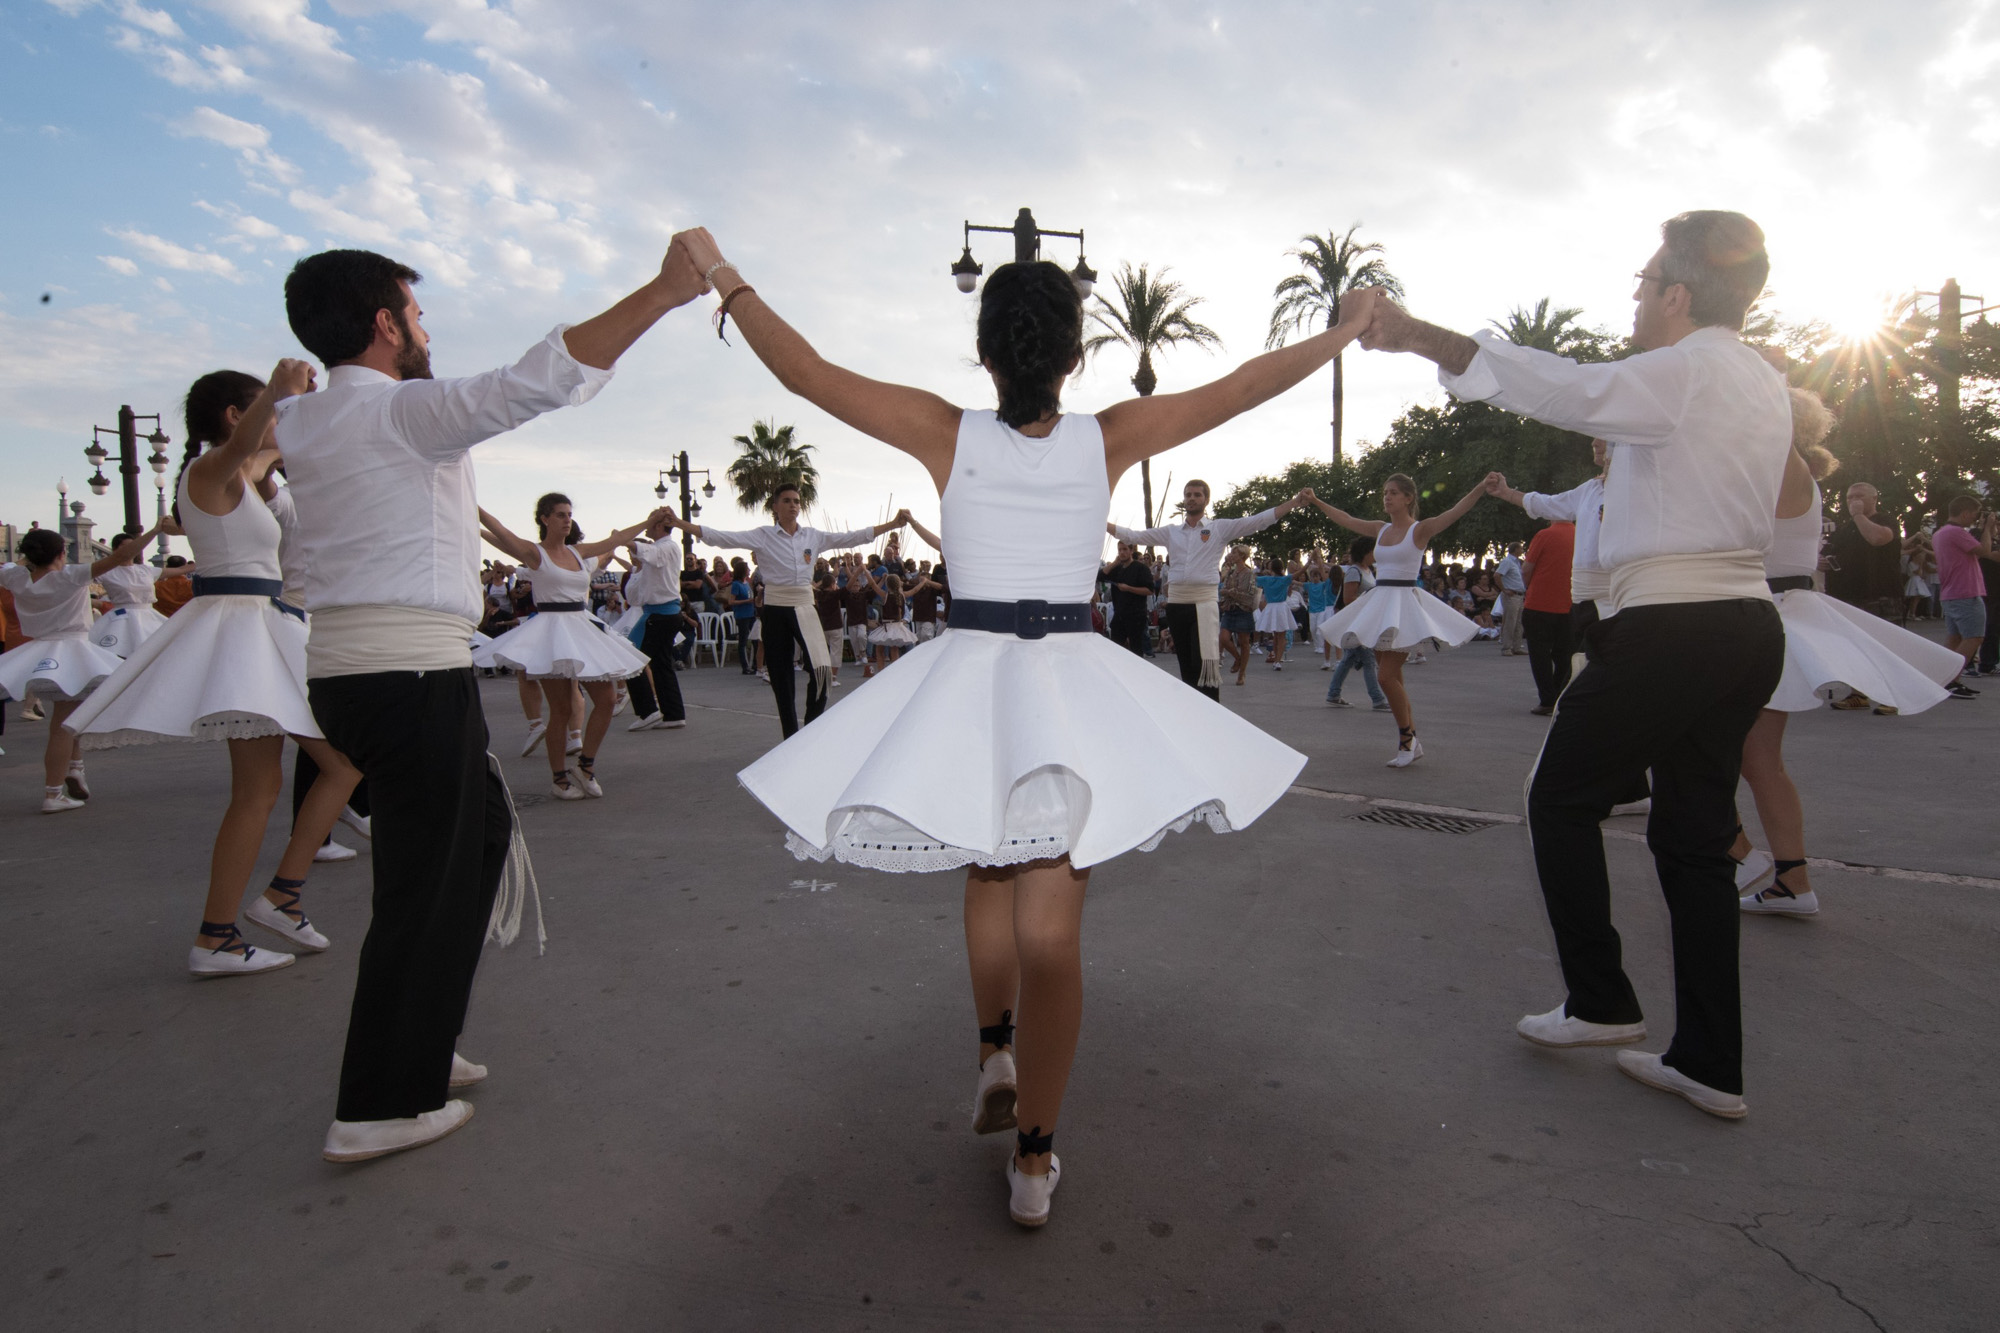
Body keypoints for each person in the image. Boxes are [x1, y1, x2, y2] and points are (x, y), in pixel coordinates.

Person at [681, 231, 1366, 1228]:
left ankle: (990, 1048)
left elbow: (803, 371)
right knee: (1052, 929)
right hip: (1066, 680)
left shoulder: (942, 431)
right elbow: (1245, 386)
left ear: (986, 352)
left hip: (967, 676)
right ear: (1073, 354)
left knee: (985, 867)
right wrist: (1344, 329)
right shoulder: (1109, 434)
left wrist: (719, 273)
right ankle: (1035, 1160)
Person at [274, 239, 709, 1163]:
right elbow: (534, 379)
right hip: (409, 677)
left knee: (473, 847)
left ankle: (420, 1038)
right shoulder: (400, 412)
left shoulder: (304, 423)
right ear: (387, 325)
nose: (427, 330)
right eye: (418, 314)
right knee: (423, 888)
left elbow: (285, 461)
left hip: (356, 674)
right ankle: (382, 1105)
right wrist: (667, 290)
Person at [1358, 209, 1788, 1119]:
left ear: (1677, 296)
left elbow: (1565, 388)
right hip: (1744, 621)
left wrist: (1417, 334)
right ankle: (1710, 1060)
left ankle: (1601, 999)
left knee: (1557, 795)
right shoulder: (1757, 379)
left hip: (1675, 625)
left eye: (1643, 282)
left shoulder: (1681, 368)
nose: (1634, 297)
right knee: (1694, 837)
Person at [69, 362, 365, 970]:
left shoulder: (247, 474)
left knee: (268, 786)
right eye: (268, 409)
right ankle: (264, 907)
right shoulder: (208, 469)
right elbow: (242, 449)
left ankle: (232, 927)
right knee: (326, 769)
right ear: (237, 415)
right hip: (244, 628)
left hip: (257, 626)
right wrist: (278, 397)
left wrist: (303, 407)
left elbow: (264, 459)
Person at [1728, 391, 1967, 917]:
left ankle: (1751, 863)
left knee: (1721, 750)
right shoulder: (1773, 471)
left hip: (1769, 614)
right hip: (1764, 612)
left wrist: (1770, 379)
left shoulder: (1785, 468)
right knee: (1748, 756)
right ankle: (1780, 876)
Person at [662, 490, 907, 737]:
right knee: (781, 677)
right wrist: (681, 523)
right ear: (775, 506)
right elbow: (722, 537)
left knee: (822, 670)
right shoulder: (763, 535)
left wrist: (893, 524)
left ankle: (811, 727)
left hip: (805, 605)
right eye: (787, 501)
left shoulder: (813, 536)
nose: (793, 505)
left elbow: (853, 537)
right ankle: (790, 734)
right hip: (776, 607)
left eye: (797, 502)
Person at [477, 497, 657, 798]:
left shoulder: (578, 552)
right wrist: (473, 508)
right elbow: (500, 530)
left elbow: (614, 540)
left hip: (581, 625)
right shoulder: (535, 553)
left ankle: (585, 766)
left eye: (569, 515)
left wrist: (647, 522)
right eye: (560, 515)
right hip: (551, 630)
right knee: (560, 709)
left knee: (608, 698)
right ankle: (559, 778)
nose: (567, 520)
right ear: (545, 519)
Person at [1304, 476, 1490, 765]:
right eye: (1385, 493)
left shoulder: (1420, 530)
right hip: (1381, 603)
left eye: (1393, 493)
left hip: (1403, 604)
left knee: (1385, 677)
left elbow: (1456, 511)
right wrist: (1316, 501)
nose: (1387, 498)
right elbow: (1346, 518)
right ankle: (1410, 740)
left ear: (1408, 498)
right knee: (1395, 679)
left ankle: (1407, 741)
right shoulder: (1380, 529)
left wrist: (1478, 488)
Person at [1, 522, 168, 810]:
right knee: (63, 726)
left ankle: (74, 768)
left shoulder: (17, 577)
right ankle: (53, 793)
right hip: (72, 650)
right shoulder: (69, 576)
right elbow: (118, 558)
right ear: (61, 553)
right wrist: (154, 532)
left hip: (40, 651)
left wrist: (28, 560)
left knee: (69, 716)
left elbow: (11, 567)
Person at [1110, 481, 1309, 700]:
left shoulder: (1218, 528)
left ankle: (1211, 709)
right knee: (1186, 664)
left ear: (1206, 500)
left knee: (1203, 661)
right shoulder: (1171, 532)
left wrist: (1293, 502)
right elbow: (1134, 536)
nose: (1191, 498)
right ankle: (1193, 712)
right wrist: (1102, 523)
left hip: (1203, 603)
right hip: (1177, 604)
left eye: (1197, 494)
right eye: (1188, 495)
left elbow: (1257, 522)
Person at [619, 517, 689, 732]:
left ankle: (648, 711)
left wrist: (623, 540)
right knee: (660, 664)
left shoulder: (666, 547)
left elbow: (648, 552)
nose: (647, 526)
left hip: (660, 614)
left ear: (658, 526)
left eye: (650, 523)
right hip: (662, 613)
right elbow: (635, 596)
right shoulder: (662, 551)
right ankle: (673, 713)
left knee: (631, 657)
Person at [1932, 496, 1997, 698]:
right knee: (1974, 636)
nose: (1976, 519)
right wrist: (1987, 528)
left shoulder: (1942, 533)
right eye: (1976, 514)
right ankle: (1952, 679)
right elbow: (1985, 551)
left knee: (1955, 638)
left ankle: (1944, 679)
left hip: (1952, 592)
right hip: (1966, 592)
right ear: (1966, 513)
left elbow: (1975, 554)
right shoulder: (1956, 532)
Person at [1325, 535, 1391, 710]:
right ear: (1366, 552)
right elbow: (1348, 599)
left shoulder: (1367, 570)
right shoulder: (1355, 571)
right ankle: (1377, 699)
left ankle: (1333, 693)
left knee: (1349, 659)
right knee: (1367, 660)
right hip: (1356, 622)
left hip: (1363, 620)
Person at [1519, 517, 1576, 714]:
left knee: (1539, 655)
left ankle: (1547, 700)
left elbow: (1527, 569)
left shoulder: (1544, 535)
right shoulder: (1580, 534)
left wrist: (1528, 587)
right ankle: (1559, 694)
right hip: (1569, 604)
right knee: (1565, 655)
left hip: (1539, 603)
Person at [91, 533, 174, 658]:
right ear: (115, 549)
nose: (130, 549)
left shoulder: (145, 570)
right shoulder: (107, 571)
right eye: (125, 546)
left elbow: (179, 571)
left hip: (148, 615)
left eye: (133, 546)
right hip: (120, 616)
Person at [1103, 540, 1154, 657]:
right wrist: (1115, 562)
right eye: (1120, 550)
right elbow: (1101, 575)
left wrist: (1129, 588)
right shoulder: (1117, 569)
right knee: (1116, 651)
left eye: (1125, 549)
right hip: (1119, 616)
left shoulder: (1141, 568)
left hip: (1135, 616)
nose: (1122, 552)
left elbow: (1149, 590)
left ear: (1131, 551)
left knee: (1136, 650)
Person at [1217, 544, 1259, 685]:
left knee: (1244, 642)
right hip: (1230, 608)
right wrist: (1228, 592)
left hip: (1243, 609)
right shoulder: (1230, 572)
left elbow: (1248, 595)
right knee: (1223, 638)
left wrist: (1230, 592)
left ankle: (1242, 673)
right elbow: (1223, 587)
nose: (1232, 555)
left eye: (1235, 553)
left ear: (1242, 555)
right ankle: (1238, 658)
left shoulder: (1249, 573)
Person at [1253, 558, 1296, 669]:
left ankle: (1276, 659)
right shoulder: (1284, 579)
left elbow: (1253, 578)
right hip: (1281, 607)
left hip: (1271, 607)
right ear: (1281, 568)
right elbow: (1299, 573)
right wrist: (1310, 561)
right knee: (1281, 635)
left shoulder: (1266, 579)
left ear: (1271, 568)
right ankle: (1277, 660)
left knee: (1276, 635)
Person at [1494, 542, 1527, 654]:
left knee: (1518, 622)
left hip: (1519, 595)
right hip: (1511, 595)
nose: (1522, 550)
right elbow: (1497, 575)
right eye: (1521, 548)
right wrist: (1504, 589)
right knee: (1510, 621)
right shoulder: (1507, 562)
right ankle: (1507, 647)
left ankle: (1516, 646)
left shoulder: (1517, 563)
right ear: (1516, 549)